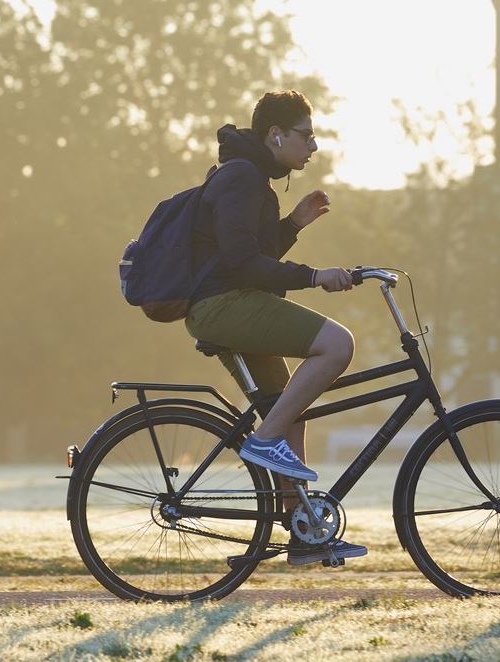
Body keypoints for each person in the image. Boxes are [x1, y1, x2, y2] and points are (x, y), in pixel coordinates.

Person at [185, 90, 366, 565]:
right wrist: (315, 276)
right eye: (307, 135)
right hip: (224, 306)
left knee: (292, 407)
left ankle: (302, 527)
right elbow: (243, 264)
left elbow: (248, 254)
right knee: (337, 344)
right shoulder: (243, 178)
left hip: (231, 302)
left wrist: (293, 225)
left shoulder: (250, 176)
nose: (314, 146)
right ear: (276, 135)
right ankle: (264, 441)